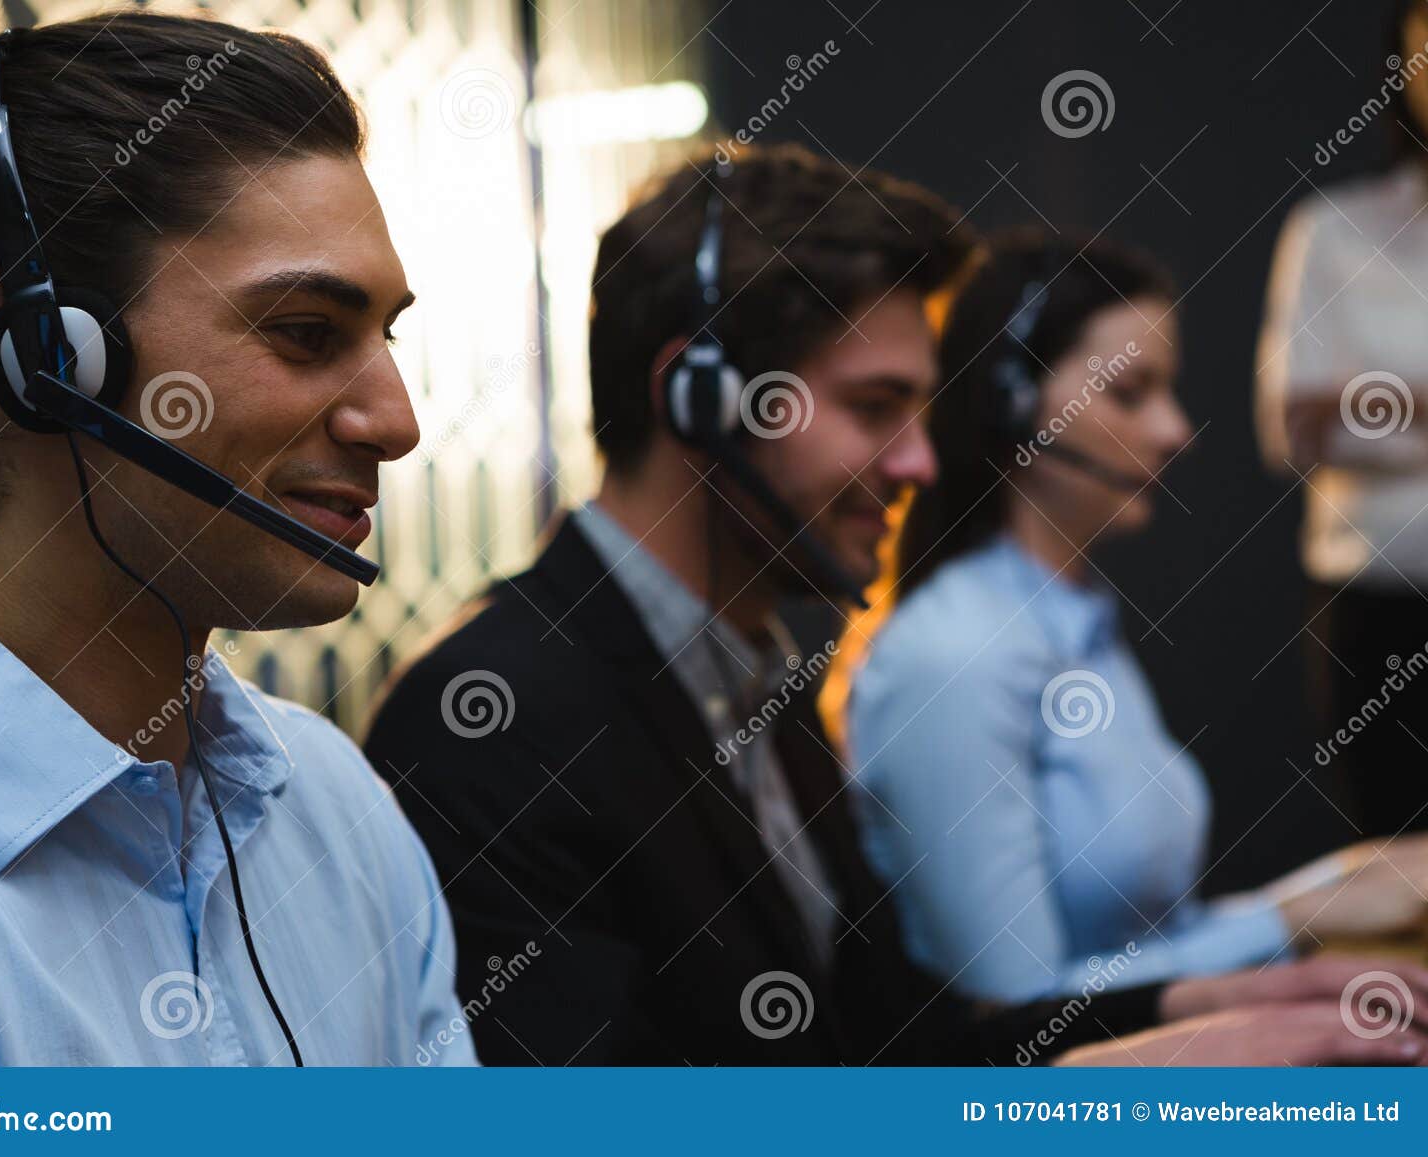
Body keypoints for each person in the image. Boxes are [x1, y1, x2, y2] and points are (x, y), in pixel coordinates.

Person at [365, 147, 1428, 1066]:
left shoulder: (749, 681)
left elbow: (890, 1045)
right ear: (694, 396)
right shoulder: (495, 716)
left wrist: (1191, 1008)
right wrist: (1128, 1084)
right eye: (874, 408)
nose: (921, 459)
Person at [0, 2, 472, 1066]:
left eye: (384, 335)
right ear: (40, 349)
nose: (396, 422)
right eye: (307, 332)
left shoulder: (339, 808)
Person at [847, 232, 1428, 1007]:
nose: (1173, 430)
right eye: (1129, 392)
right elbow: (1020, 1012)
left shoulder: (1070, 621)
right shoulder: (956, 654)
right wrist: (1296, 918)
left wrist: (1340, 886)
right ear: (1013, 405)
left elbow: (1147, 943)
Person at [1256, 0, 1428, 837]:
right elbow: (1292, 429)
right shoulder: (1333, 230)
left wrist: (1376, 395)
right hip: (1372, 601)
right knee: (1389, 857)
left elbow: (1333, 413)